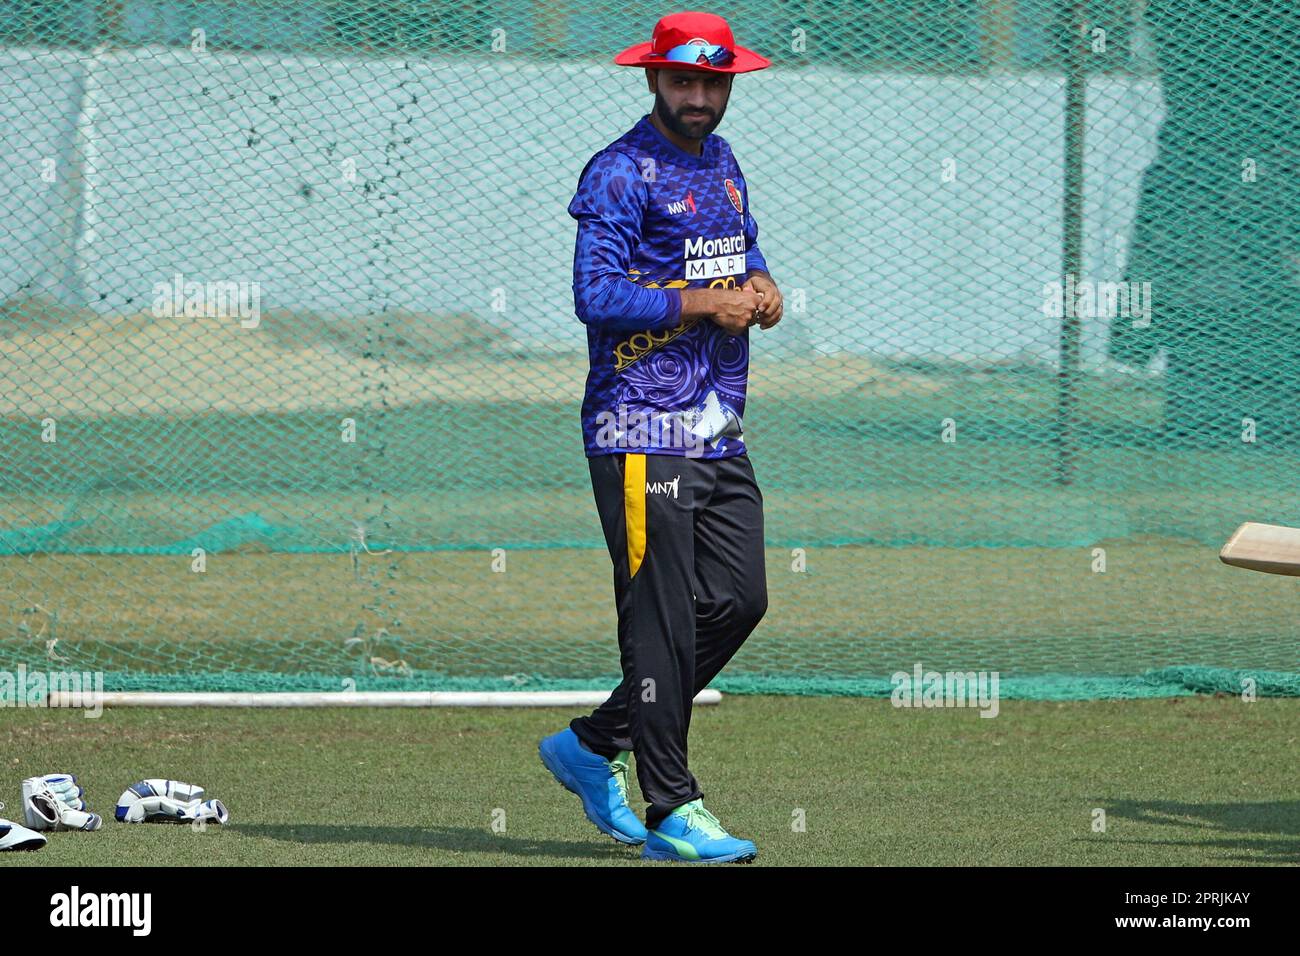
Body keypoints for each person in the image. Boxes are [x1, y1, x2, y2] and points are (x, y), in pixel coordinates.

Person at [537, 10, 782, 864]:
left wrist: (759, 284)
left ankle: (590, 743)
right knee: (661, 618)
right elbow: (594, 295)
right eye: (684, 81)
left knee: (740, 601)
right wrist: (700, 303)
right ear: (653, 80)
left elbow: (740, 253)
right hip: (638, 427)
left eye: (714, 83)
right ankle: (672, 809)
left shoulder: (723, 161)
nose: (700, 98)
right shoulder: (619, 170)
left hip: (716, 425)